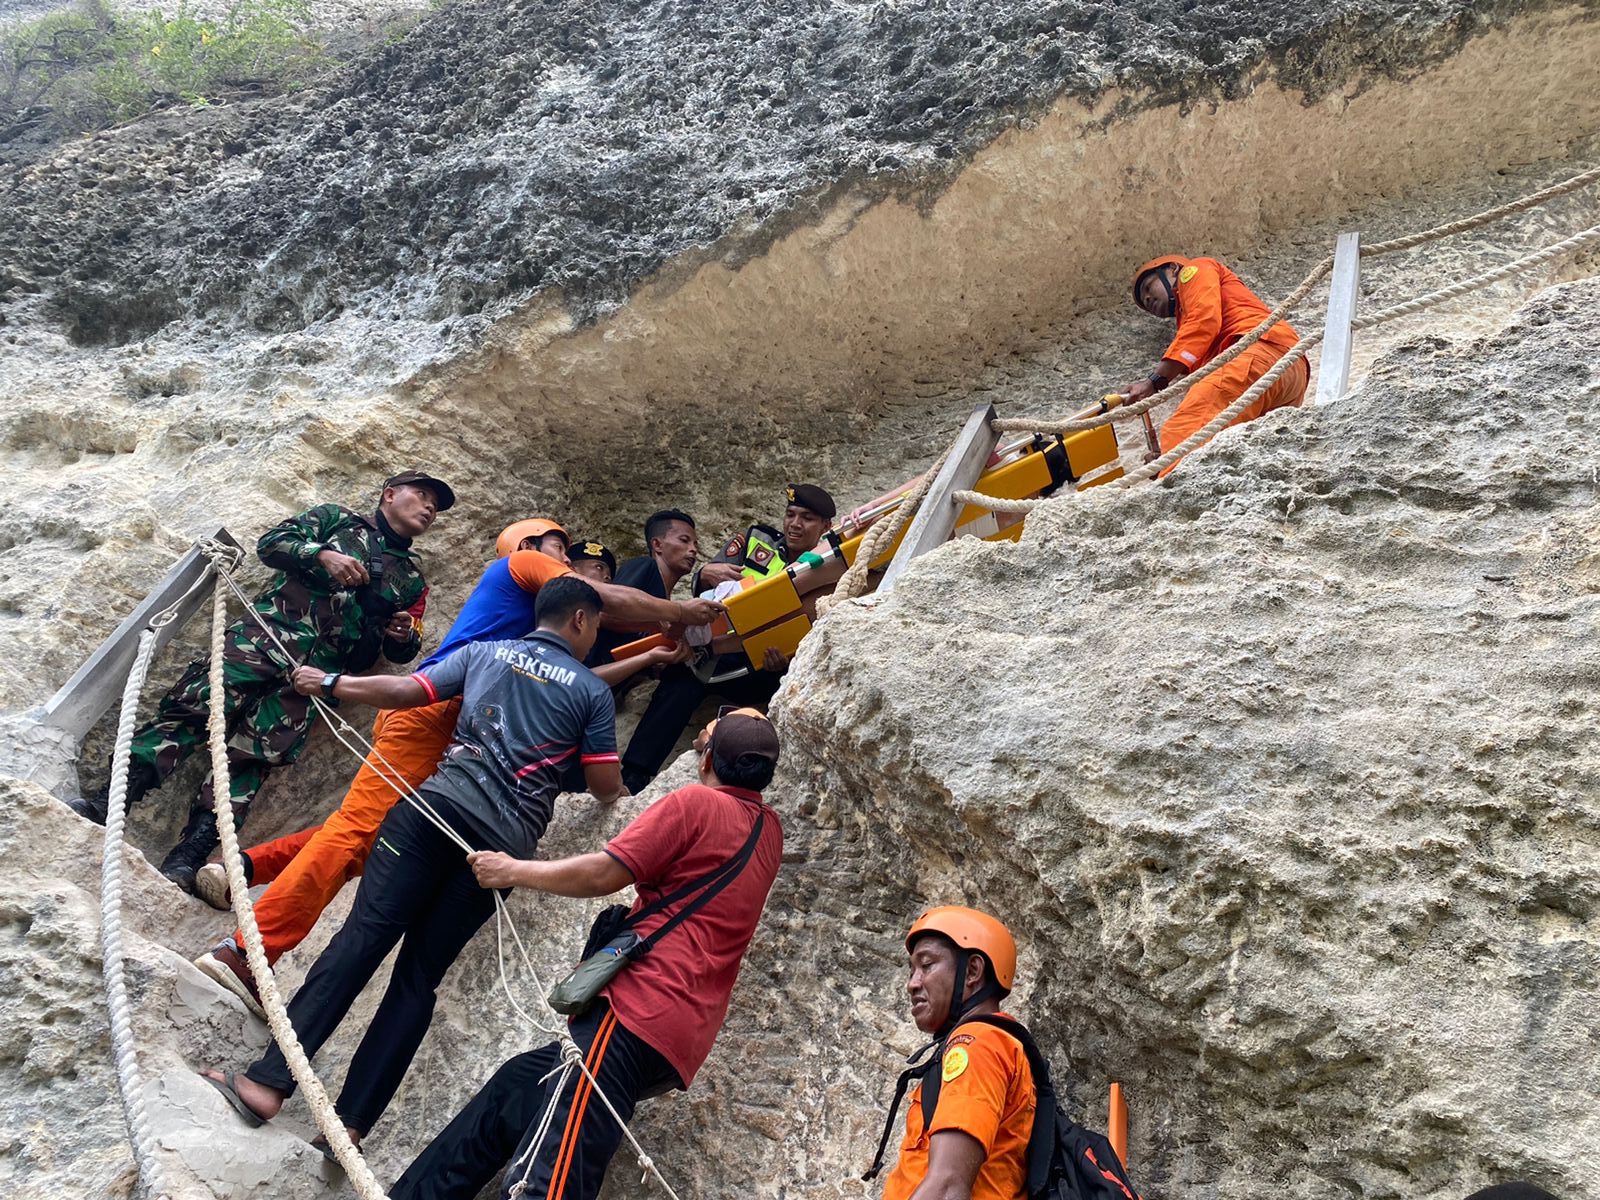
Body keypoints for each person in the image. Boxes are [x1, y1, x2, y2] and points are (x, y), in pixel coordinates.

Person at [190, 520, 725, 1018]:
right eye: (560, 549)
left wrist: (652, 655)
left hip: (456, 730)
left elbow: (579, 679)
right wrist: (683, 612)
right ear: (529, 548)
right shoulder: (521, 566)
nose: (568, 561)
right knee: (358, 829)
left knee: (377, 834)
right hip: (434, 714)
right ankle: (246, 951)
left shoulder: (530, 630)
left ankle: (251, 868)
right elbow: (600, 600)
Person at [199, 577, 623, 1144]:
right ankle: (349, 1125)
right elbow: (602, 784)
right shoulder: (591, 692)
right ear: (579, 621)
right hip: (500, 850)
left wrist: (332, 682)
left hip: (432, 814)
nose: (593, 636)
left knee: (361, 940)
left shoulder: (485, 653)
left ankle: (268, 1083)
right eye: (595, 626)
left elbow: (408, 692)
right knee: (418, 978)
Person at [388, 708, 784, 1200]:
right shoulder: (769, 833)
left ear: (707, 761)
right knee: (517, 1088)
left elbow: (605, 873)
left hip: (633, 1014)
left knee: (550, 1182)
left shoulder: (696, 804)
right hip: (677, 1042)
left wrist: (511, 869)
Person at [68, 470, 451, 892]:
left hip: (309, 682)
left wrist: (400, 636)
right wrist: (323, 555)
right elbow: (271, 544)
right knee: (190, 714)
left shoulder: (412, 581)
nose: (429, 507)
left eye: (435, 504)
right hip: (259, 642)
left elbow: (402, 648)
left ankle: (188, 857)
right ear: (390, 494)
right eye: (422, 494)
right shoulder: (335, 520)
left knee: (252, 761)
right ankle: (107, 803)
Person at [619, 485, 835, 792]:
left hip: (763, 667)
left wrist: (784, 665)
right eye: (791, 515)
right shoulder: (755, 540)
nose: (795, 524)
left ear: (825, 526)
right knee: (681, 679)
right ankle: (634, 775)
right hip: (714, 651)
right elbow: (701, 590)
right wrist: (706, 572)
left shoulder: (829, 563)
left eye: (807, 518)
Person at [872, 907, 1034, 1200]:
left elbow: (948, 1186)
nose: (912, 983)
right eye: (912, 970)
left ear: (972, 971)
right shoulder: (983, 1044)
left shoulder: (979, 1044)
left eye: (927, 965)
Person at [1119, 256, 1308, 473]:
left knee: (1185, 425)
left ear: (1173, 269)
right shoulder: (1193, 328)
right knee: (1221, 452)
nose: (1148, 299)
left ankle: (1175, 479)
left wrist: (1153, 382)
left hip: (1258, 354)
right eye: (1144, 301)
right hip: (1286, 374)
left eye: (1148, 287)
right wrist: (1167, 456)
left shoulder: (1195, 270)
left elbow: (1204, 321)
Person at [589, 509, 699, 665]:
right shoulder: (646, 566)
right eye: (684, 540)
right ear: (657, 544)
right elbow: (606, 613)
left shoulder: (664, 596)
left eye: (695, 543)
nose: (693, 549)